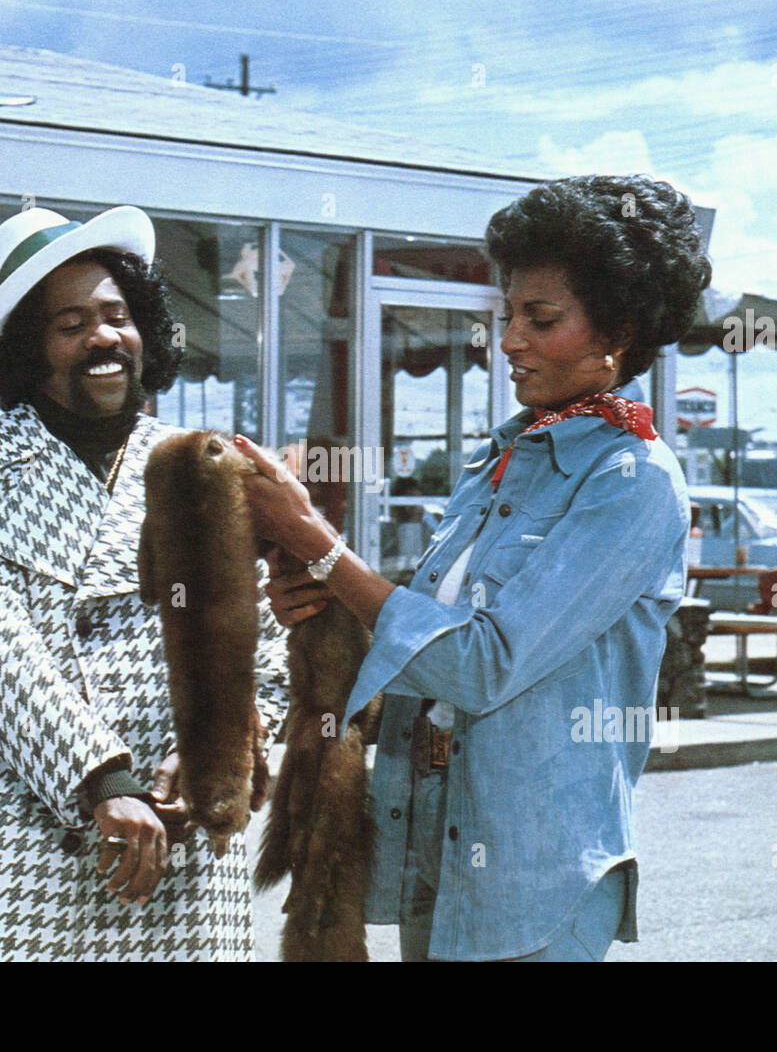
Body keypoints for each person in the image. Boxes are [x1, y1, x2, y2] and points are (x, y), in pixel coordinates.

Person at [238, 174, 709, 962]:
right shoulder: (502, 460)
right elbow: (422, 652)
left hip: (535, 874)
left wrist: (320, 544)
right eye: (507, 315)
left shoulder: (636, 483)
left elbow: (483, 663)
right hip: (436, 839)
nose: (510, 340)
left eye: (540, 318)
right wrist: (326, 605)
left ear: (619, 330)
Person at [0, 205, 286, 961]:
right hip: (31, 829)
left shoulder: (203, 465)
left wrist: (224, 746)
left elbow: (272, 645)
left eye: (117, 315)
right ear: (31, 349)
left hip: (184, 842)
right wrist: (102, 780)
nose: (102, 338)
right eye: (70, 323)